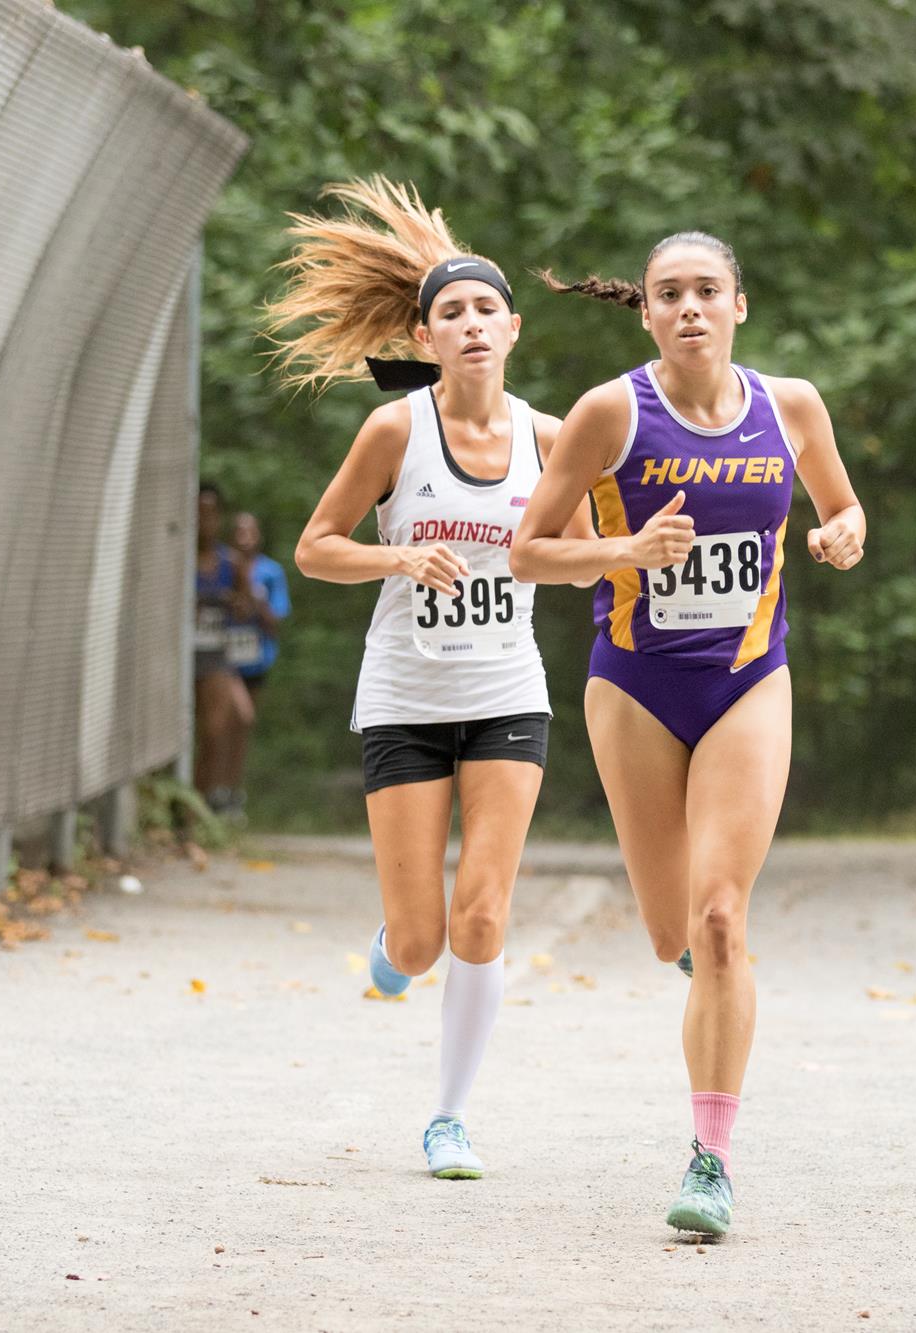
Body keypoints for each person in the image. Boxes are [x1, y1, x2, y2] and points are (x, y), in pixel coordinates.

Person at [509, 232, 867, 1236]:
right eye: (668, 294)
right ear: (646, 313)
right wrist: (626, 548)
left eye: (706, 291)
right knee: (671, 931)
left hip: (748, 680)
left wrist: (842, 532)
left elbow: (843, 510)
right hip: (633, 686)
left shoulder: (788, 407)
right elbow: (530, 552)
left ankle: (709, 1159)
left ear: (738, 305)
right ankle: (707, 975)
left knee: (719, 918)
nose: (689, 309)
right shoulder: (609, 413)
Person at [270, 177, 594, 1180]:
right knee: (418, 945)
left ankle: (448, 1117)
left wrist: (623, 553)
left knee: (482, 915)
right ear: (424, 335)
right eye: (449, 313)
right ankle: (392, 947)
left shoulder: (551, 439)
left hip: (506, 693)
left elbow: (578, 555)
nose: (470, 326)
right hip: (406, 697)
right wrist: (394, 558)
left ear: (513, 327)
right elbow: (316, 547)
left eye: (485, 310)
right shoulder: (392, 433)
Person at [221, 512, 292, 817]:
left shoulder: (270, 572)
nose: (244, 537)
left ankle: (232, 792)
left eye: (250, 531)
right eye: (239, 531)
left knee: (240, 727)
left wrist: (253, 598)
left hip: (255, 659)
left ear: (259, 535)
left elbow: (276, 620)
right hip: (222, 659)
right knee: (228, 721)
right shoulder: (220, 564)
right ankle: (216, 790)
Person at [193, 482, 255, 817]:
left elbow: (247, 607)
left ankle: (201, 805)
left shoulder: (229, 563)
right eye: (198, 514)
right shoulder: (177, 559)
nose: (205, 522)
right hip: (176, 659)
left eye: (211, 514)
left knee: (216, 730)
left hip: (215, 655)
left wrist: (233, 602)